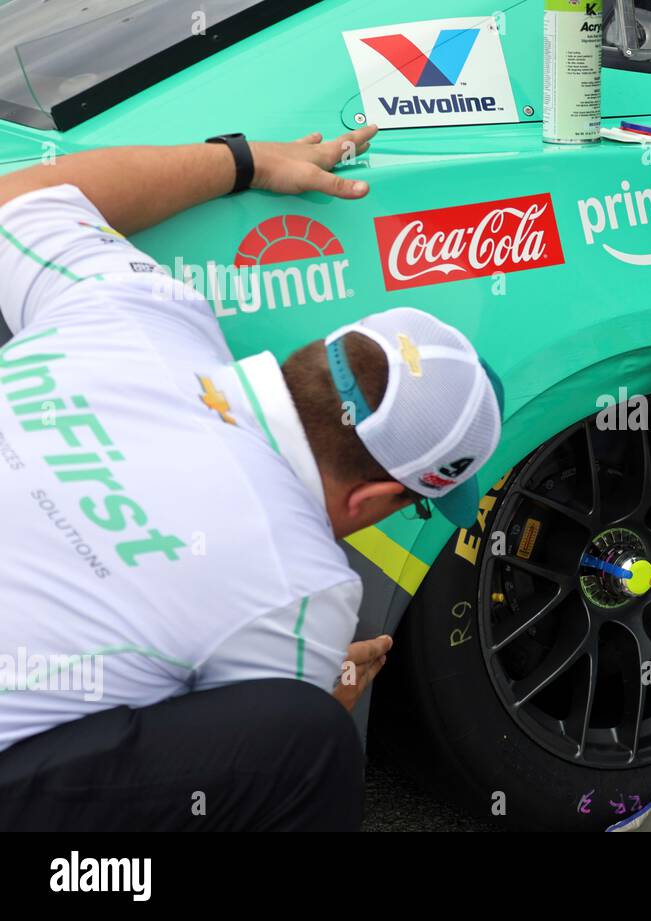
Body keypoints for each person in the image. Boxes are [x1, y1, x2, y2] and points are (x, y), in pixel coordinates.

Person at [0, 127, 501, 830]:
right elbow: (247, 770)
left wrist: (244, 160)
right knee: (307, 743)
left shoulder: (136, 307)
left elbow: (22, 196)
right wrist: (339, 684)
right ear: (378, 498)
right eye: (414, 508)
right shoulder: (303, 586)